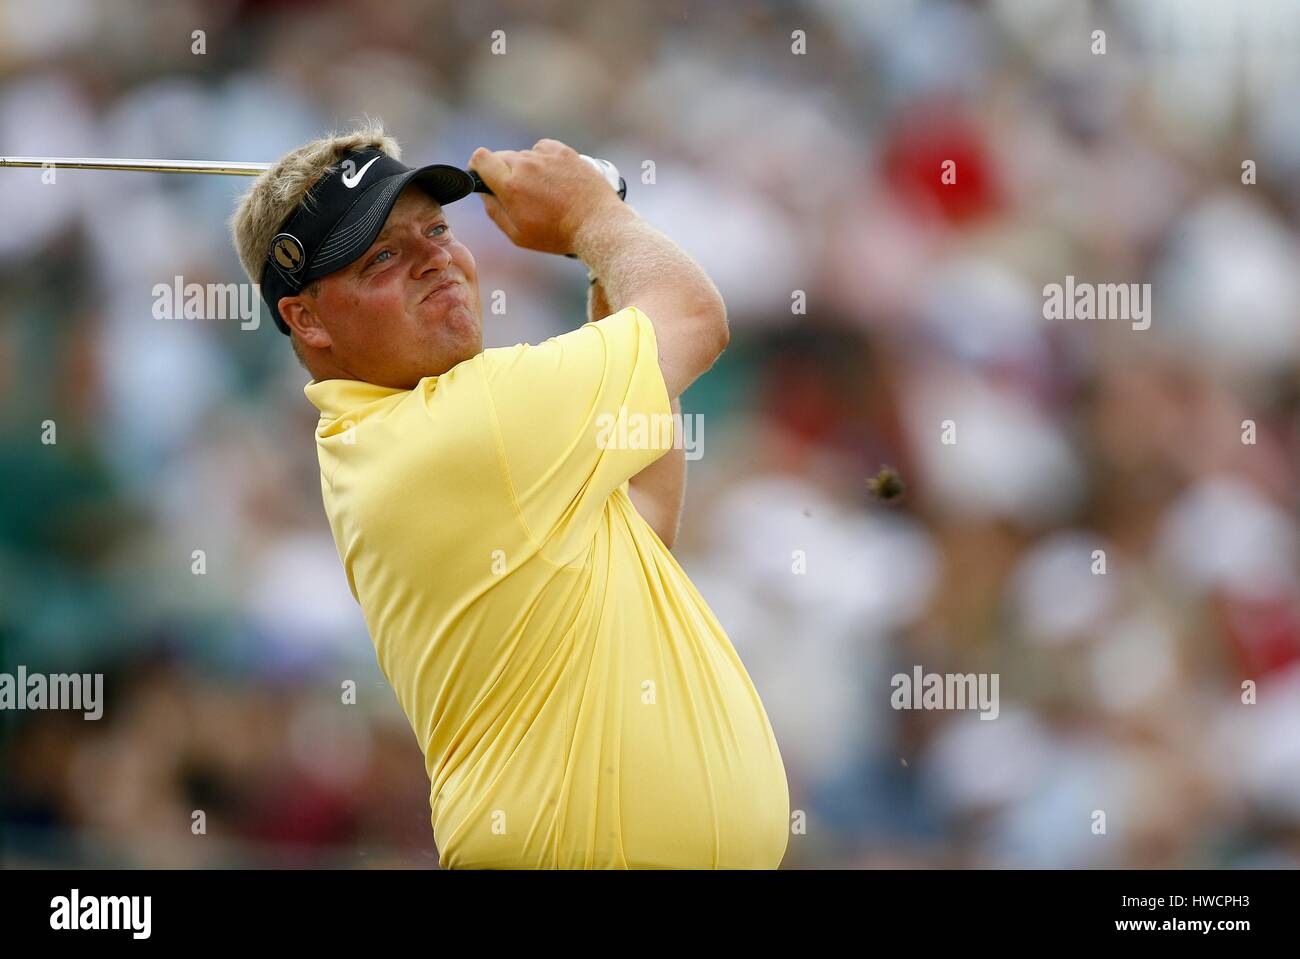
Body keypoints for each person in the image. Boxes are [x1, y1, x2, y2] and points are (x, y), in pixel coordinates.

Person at [229, 122, 789, 869]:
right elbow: (693, 316)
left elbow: (645, 516)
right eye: (385, 256)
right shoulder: (468, 425)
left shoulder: (443, 439)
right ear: (305, 318)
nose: (439, 260)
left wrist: (601, 260)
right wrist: (593, 218)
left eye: (436, 229)